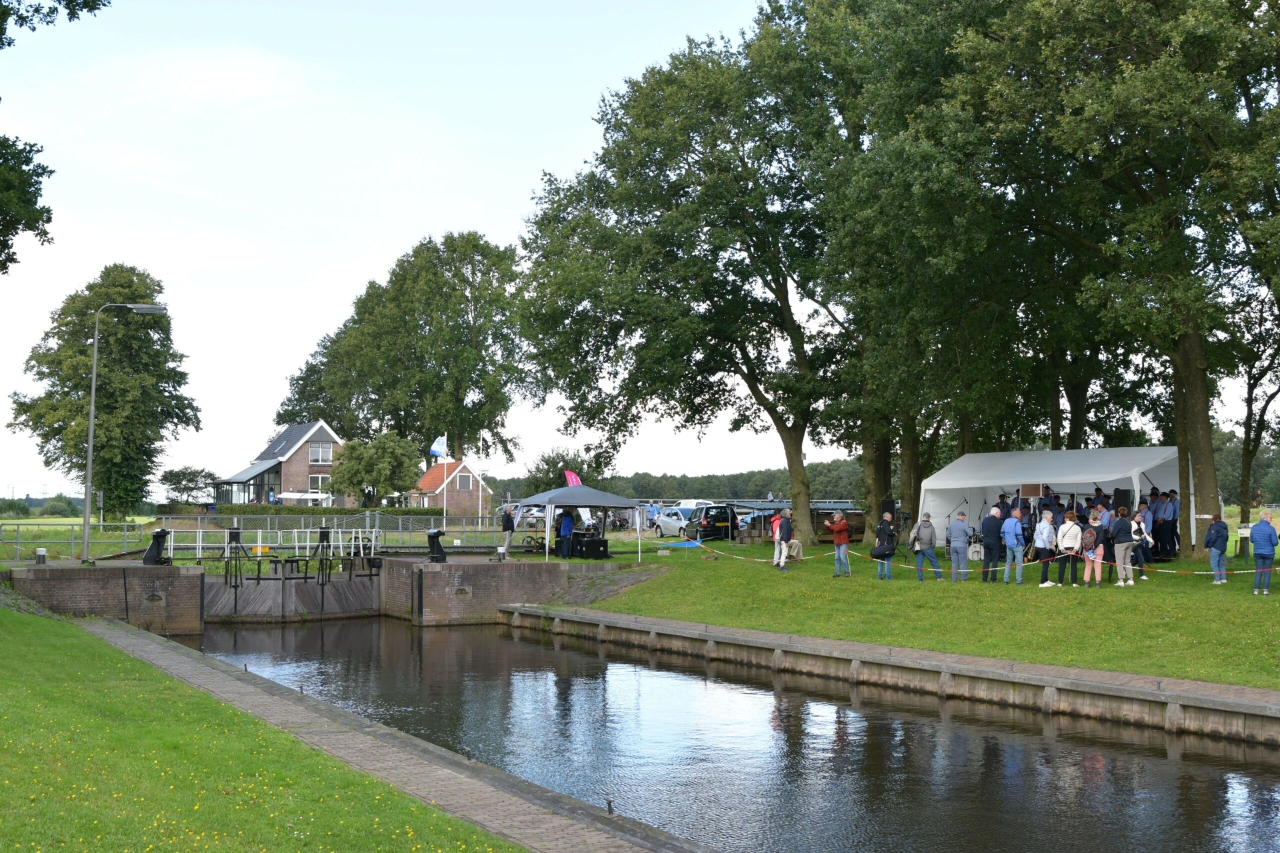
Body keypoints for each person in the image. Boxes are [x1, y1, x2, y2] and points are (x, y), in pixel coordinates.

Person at [909, 512, 941, 582]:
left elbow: (912, 535)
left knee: (919, 564)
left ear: (923, 517)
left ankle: (920, 579)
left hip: (918, 547)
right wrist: (933, 545)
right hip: (928, 547)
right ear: (929, 518)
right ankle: (939, 577)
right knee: (934, 562)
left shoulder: (917, 525)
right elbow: (933, 537)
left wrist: (912, 545)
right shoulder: (931, 526)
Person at [1252, 509, 1277, 596]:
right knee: (1267, 571)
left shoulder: (1254, 527)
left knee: (1258, 570)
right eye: (1270, 517)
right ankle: (1265, 591)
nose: (1271, 519)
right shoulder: (1271, 529)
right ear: (1266, 517)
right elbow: (1275, 543)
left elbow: (1252, 540)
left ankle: (1256, 590)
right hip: (1269, 553)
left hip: (1257, 552)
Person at [1057, 510, 1083, 587]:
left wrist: (1061, 548)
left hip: (1064, 547)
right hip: (1073, 548)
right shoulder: (1078, 528)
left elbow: (1059, 539)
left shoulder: (1062, 526)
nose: (1064, 518)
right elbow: (1079, 540)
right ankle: (1074, 582)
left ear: (1068, 518)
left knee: (1062, 565)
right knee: (1073, 566)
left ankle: (1060, 582)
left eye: (1065, 517)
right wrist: (1076, 549)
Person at [1111, 506, 1135, 586]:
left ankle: (1121, 580)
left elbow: (1114, 534)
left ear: (1119, 514)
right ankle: (1131, 579)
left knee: (1119, 561)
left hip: (1120, 543)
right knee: (1127, 561)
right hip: (1129, 541)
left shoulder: (1118, 522)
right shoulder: (1128, 522)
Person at [1002, 507, 1026, 585]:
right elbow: (1019, 534)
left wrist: (1006, 540)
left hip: (1008, 545)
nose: (1021, 514)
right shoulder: (1017, 522)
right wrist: (1023, 544)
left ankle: (1006, 580)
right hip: (1017, 545)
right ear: (1015, 514)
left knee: (1008, 562)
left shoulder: (1006, 521)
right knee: (1019, 563)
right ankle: (1019, 581)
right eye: (1019, 513)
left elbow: (1002, 533)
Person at [1082, 509, 1105, 588]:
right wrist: (1095, 546)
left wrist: (1088, 546)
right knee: (1097, 565)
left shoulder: (1086, 526)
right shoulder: (1100, 526)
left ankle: (1087, 582)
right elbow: (1101, 538)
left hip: (1087, 548)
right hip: (1098, 547)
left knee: (1088, 565)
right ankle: (1098, 583)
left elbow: (1083, 537)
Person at [1204, 513, 1229, 584]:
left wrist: (1208, 546)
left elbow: (1212, 538)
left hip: (1215, 547)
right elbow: (1226, 537)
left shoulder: (1214, 527)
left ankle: (1217, 580)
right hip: (1223, 547)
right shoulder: (1224, 526)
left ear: (1213, 520)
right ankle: (1223, 579)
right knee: (1221, 563)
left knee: (1214, 564)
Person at [1035, 511, 1058, 587]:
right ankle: (1042, 582)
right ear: (1047, 517)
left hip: (1037, 545)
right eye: (1051, 517)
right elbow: (1045, 537)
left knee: (1046, 563)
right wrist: (1047, 546)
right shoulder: (1047, 526)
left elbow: (1035, 536)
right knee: (1045, 564)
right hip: (1044, 546)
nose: (1052, 519)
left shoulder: (1038, 524)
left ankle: (1046, 580)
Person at [980, 507, 1003, 583]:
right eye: (999, 512)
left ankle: (984, 578)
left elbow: (982, 530)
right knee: (995, 561)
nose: (1000, 514)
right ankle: (993, 578)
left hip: (986, 541)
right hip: (995, 542)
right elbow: (1001, 533)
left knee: (986, 560)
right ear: (996, 513)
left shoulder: (985, 520)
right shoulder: (999, 522)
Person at [825, 512, 850, 578]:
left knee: (842, 557)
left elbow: (838, 528)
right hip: (837, 543)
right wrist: (828, 526)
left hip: (843, 543)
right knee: (837, 558)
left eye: (834, 515)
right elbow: (833, 529)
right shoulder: (836, 524)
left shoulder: (844, 522)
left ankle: (847, 571)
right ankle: (837, 573)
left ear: (839, 515)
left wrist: (829, 524)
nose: (833, 516)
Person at [947, 512, 970, 582]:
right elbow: (970, 533)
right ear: (962, 516)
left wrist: (953, 540)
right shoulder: (964, 525)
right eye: (964, 517)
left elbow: (948, 535)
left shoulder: (951, 524)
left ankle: (954, 579)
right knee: (963, 563)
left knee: (954, 563)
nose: (965, 518)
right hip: (961, 545)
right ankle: (964, 579)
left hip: (953, 545)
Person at [874, 512, 895, 580]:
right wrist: (894, 533)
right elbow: (888, 532)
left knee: (881, 561)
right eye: (890, 518)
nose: (891, 519)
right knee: (888, 561)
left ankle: (879, 576)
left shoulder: (879, 523)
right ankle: (888, 577)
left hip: (880, 544)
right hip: (886, 546)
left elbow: (877, 534)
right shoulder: (886, 523)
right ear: (887, 517)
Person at [1169, 489, 1182, 555]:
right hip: (1170, 518)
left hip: (1174, 518)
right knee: (1171, 533)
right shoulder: (1170, 501)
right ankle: (1173, 546)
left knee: (1174, 532)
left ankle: (1180, 545)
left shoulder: (1176, 501)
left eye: (1171, 494)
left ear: (1174, 494)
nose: (1170, 495)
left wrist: (1175, 518)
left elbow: (1176, 510)